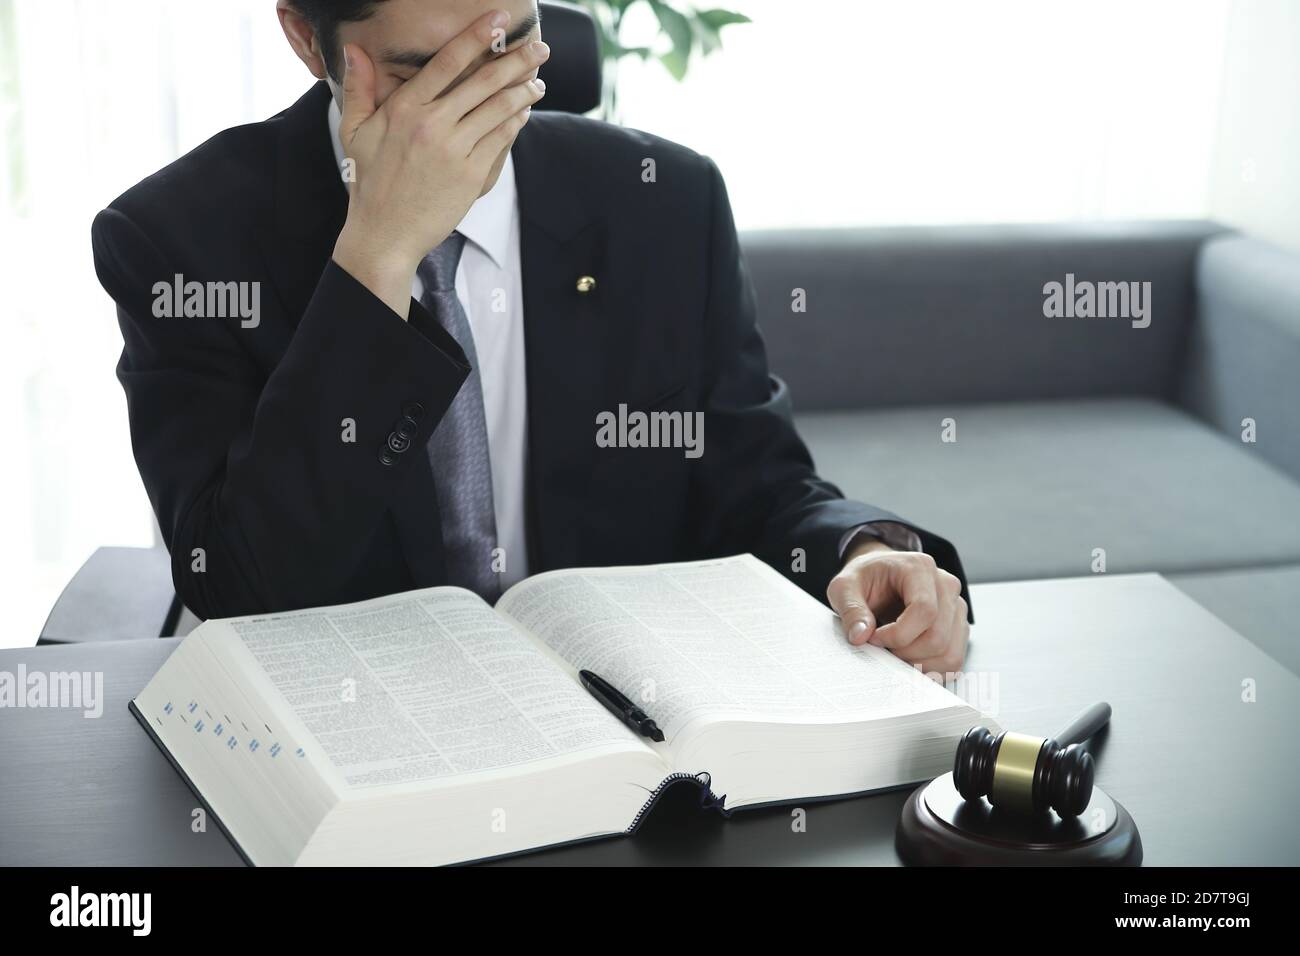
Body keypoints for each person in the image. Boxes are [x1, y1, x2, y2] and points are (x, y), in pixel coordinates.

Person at [91, 0, 971, 675]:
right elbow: (241, 586)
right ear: (302, 37)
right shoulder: (179, 241)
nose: (476, 105)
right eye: (425, 74)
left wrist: (864, 550)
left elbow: (757, 485)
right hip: (360, 741)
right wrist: (379, 256)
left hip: (626, 739)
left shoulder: (663, 203)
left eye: (508, 46)